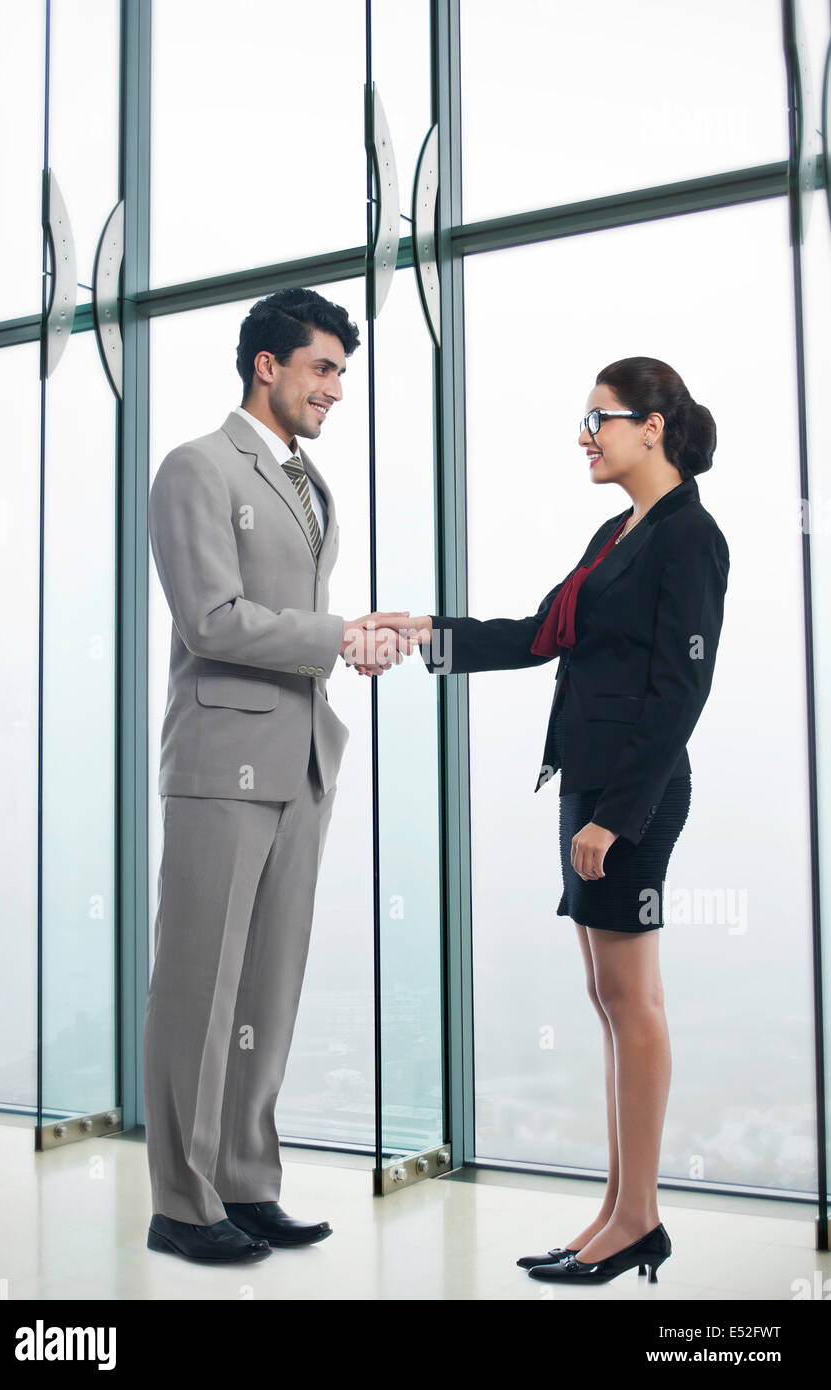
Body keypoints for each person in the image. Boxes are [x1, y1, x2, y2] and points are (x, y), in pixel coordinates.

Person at [364, 356, 730, 1286]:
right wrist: (426, 634)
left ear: (653, 425)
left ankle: (639, 1217)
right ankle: (618, 1210)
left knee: (633, 1004)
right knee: (611, 1004)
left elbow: (681, 692)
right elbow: (540, 634)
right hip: (589, 789)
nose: (583, 436)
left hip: (629, 800)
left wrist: (613, 816)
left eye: (597, 418)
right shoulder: (618, 532)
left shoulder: (690, 537)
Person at [143, 288, 411, 1263]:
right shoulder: (195, 468)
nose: (337, 388)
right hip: (222, 762)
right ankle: (181, 1198)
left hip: (300, 760)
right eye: (324, 367)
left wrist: (352, 641)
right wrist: (336, 636)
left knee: (267, 986)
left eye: (341, 370)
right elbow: (209, 619)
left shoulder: (309, 483)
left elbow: (293, 622)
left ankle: (246, 1184)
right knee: (197, 986)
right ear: (268, 364)